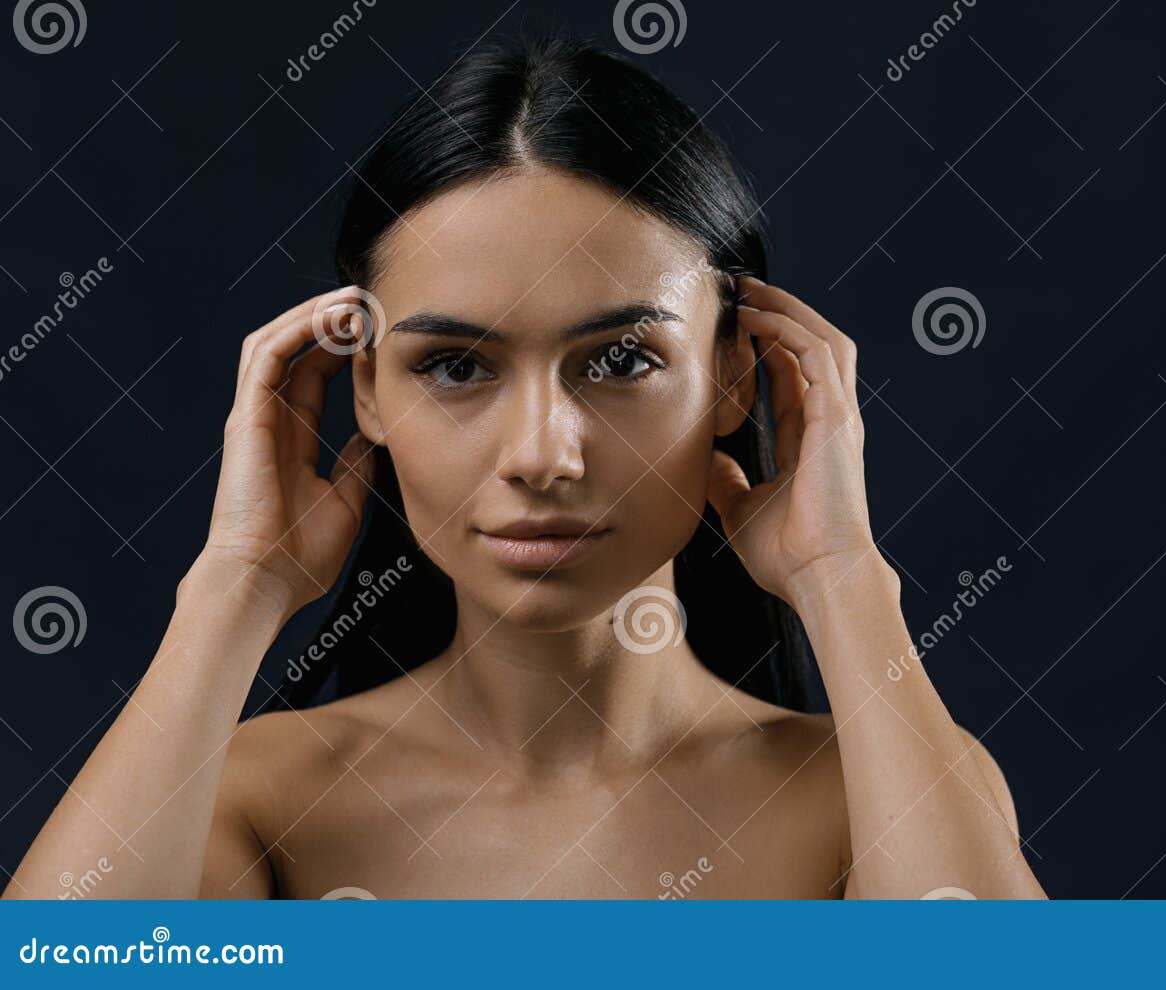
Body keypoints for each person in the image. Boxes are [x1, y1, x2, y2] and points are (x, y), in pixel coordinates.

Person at [3, 32, 1044, 900]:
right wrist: (237, 584)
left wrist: (842, 578)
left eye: (623, 360)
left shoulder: (874, 797)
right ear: (366, 390)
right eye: (455, 365)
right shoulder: (250, 800)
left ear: (736, 374)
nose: (543, 455)